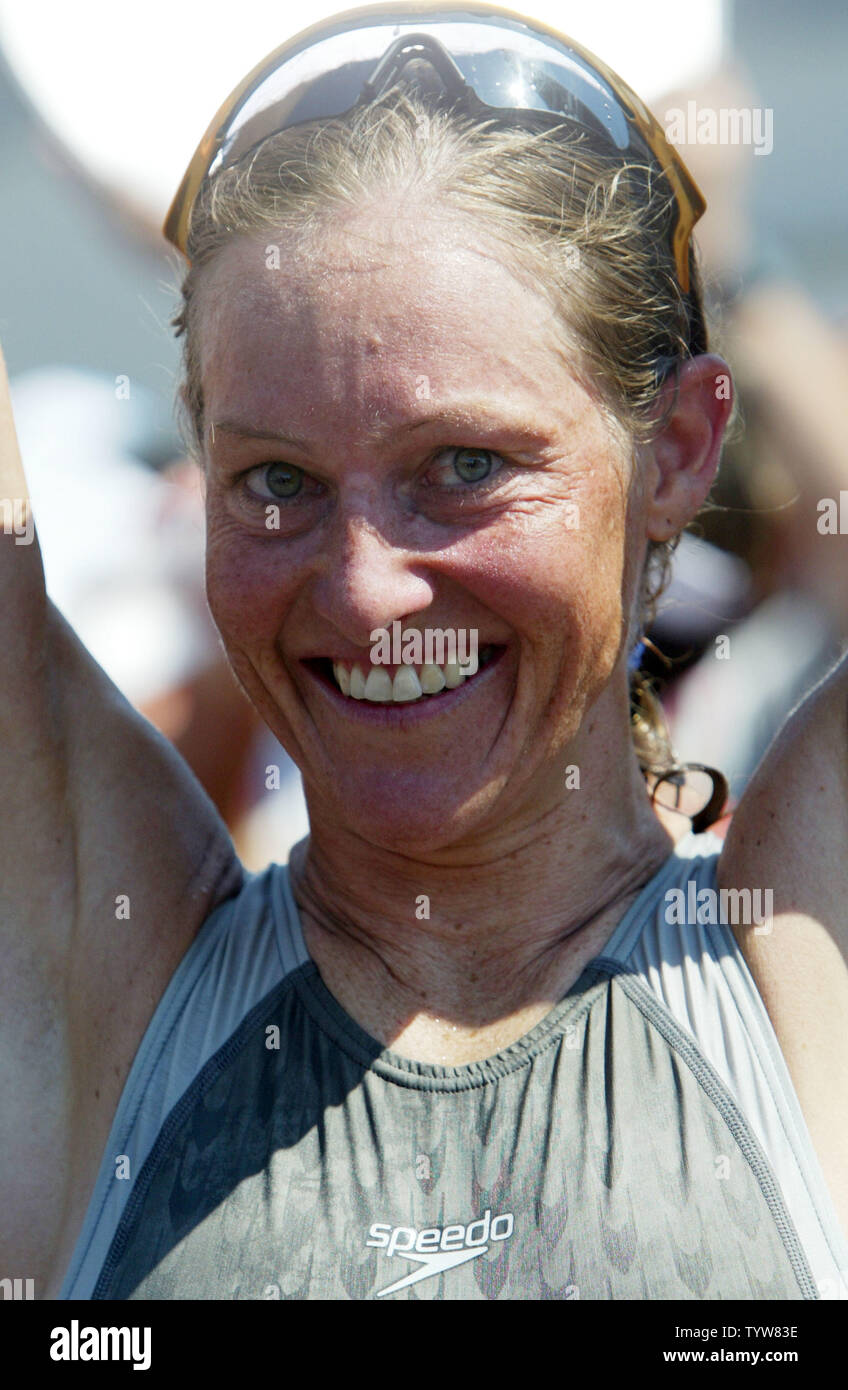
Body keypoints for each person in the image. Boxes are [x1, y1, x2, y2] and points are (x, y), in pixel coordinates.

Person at [2, 2, 846, 1301]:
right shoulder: (94, 978)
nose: (365, 590)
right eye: (276, 476)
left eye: (465, 466)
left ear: (679, 447)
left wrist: (733, 251)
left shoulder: (803, 973)